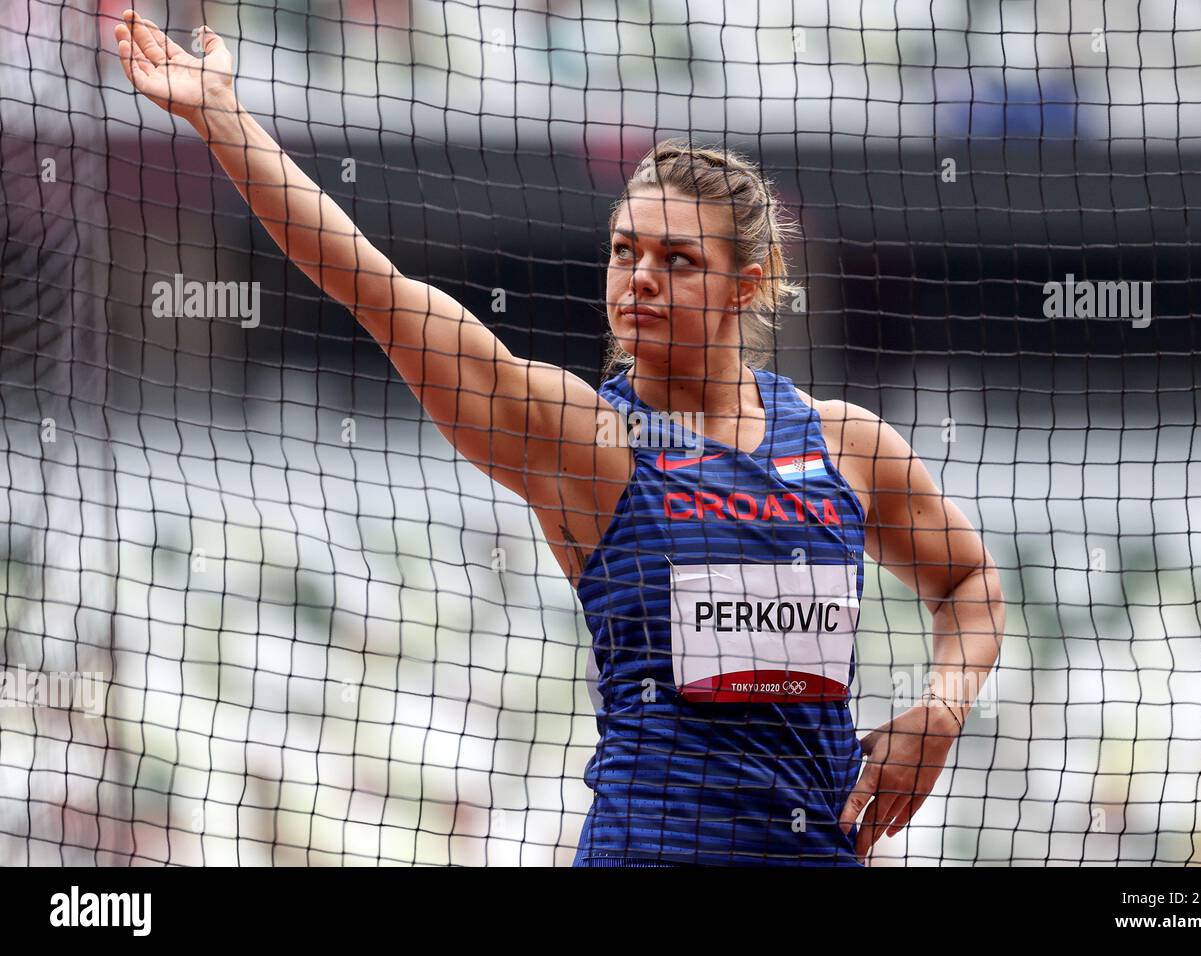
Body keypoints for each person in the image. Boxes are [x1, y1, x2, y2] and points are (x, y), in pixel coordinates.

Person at [113, 9, 1006, 866]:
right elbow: (375, 289)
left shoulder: (849, 445)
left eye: (679, 260)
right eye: (626, 252)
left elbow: (968, 582)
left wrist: (944, 704)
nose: (640, 279)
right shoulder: (586, 439)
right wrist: (221, 114)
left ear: (751, 284)